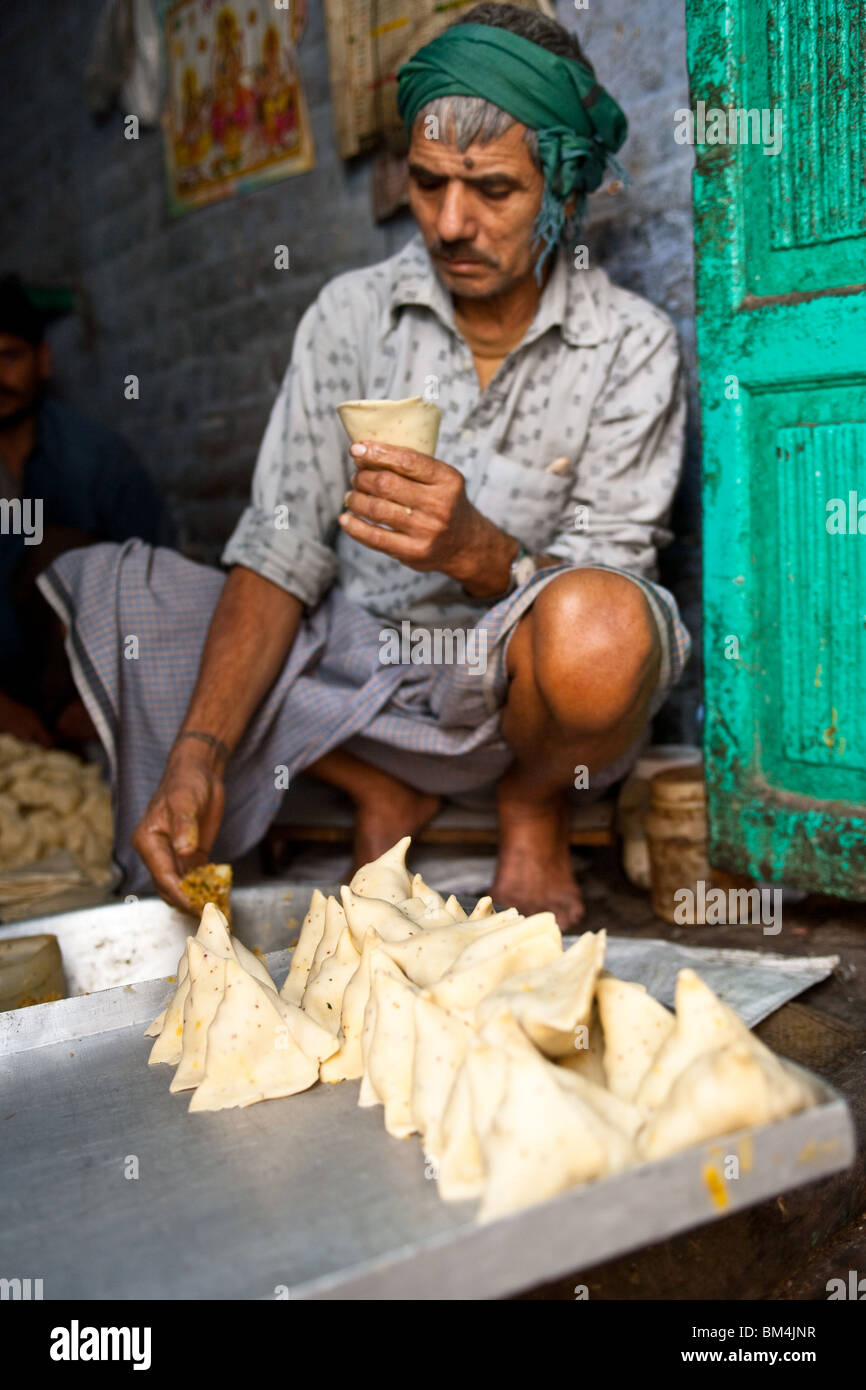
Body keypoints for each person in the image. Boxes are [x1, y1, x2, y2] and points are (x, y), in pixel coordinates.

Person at [42, 4, 690, 926]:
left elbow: (617, 580)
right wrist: (201, 749)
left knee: (600, 632)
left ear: (568, 188)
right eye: (427, 185)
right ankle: (384, 789)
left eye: (494, 192)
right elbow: (279, 553)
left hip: (506, 708)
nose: (451, 224)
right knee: (117, 587)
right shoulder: (352, 315)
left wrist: (483, 558)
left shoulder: (631, 345)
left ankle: (533, 807)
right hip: (355, 679)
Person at [0, 274, 173, 747]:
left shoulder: (95, 457)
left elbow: (161, 583)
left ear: (43, 361)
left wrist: (104, 694)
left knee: (57, 550)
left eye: (9, 357)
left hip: (88, 693)